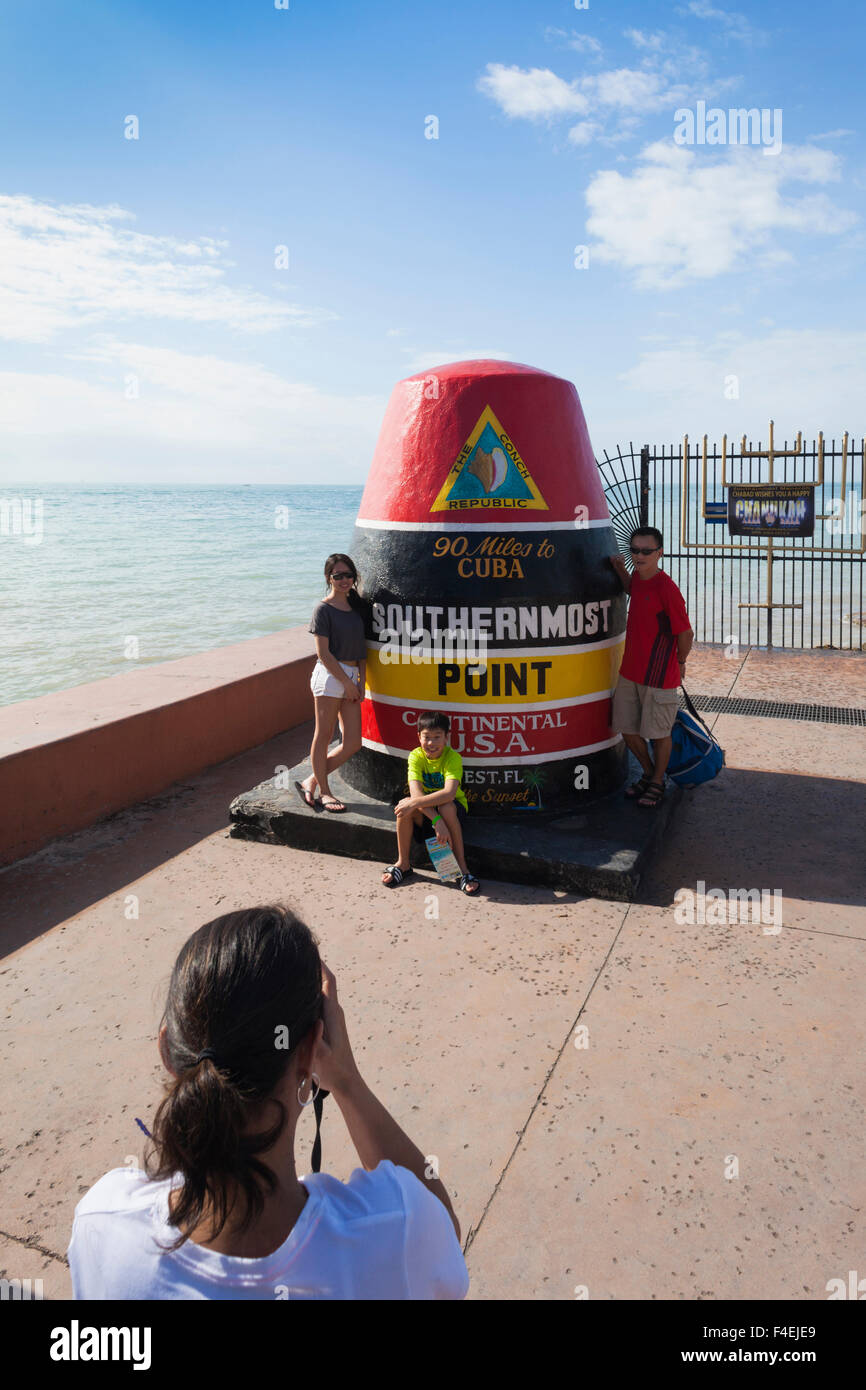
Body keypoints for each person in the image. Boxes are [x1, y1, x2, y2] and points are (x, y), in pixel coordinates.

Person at [67, 905, 469, 1300]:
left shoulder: (101, 1221)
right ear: (313, 1048)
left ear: (167, 1051)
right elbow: (444, 1236)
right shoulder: (395, 1235)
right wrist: (346, 1082)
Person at [608, 527, 693, 807]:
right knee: (626, 728)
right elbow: (631, 588)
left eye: (646, 551)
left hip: (658, 675)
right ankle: (648, 773)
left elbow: (685, 633)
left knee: (659, 734)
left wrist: (680, 663)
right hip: (630, 671)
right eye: (635, 550)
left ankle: (657, 782)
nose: (639, 556)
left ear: (660, 553)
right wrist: (620, 569)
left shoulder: (666, 588)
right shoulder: (638, 579)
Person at [297, 554, 367, 813]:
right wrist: (346, 683)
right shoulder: (323, 609)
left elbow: (362, 651)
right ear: (329, 578)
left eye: (348, 575)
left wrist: (360, 681)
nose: (344, 580)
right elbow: (323, 654)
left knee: (352, 743)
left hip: (351, 676)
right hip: (329, 676)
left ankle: (312, 780)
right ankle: (325, 792)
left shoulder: (356, 608)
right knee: (324, 735)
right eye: (338, 576)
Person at [381, 711, 480, 895]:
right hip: (428, 814)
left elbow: (449, 793)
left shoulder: (453, 758)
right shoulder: (416, 756)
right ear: (419, 737)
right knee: (404, 807)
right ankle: (403, 864)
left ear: (447, 738)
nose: (431, 743)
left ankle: (463, 871)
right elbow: (416, 794)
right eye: (427, 737)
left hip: (452, 813)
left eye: (437, 737)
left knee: (445, 807)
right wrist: (436, 821)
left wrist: (439, 818)